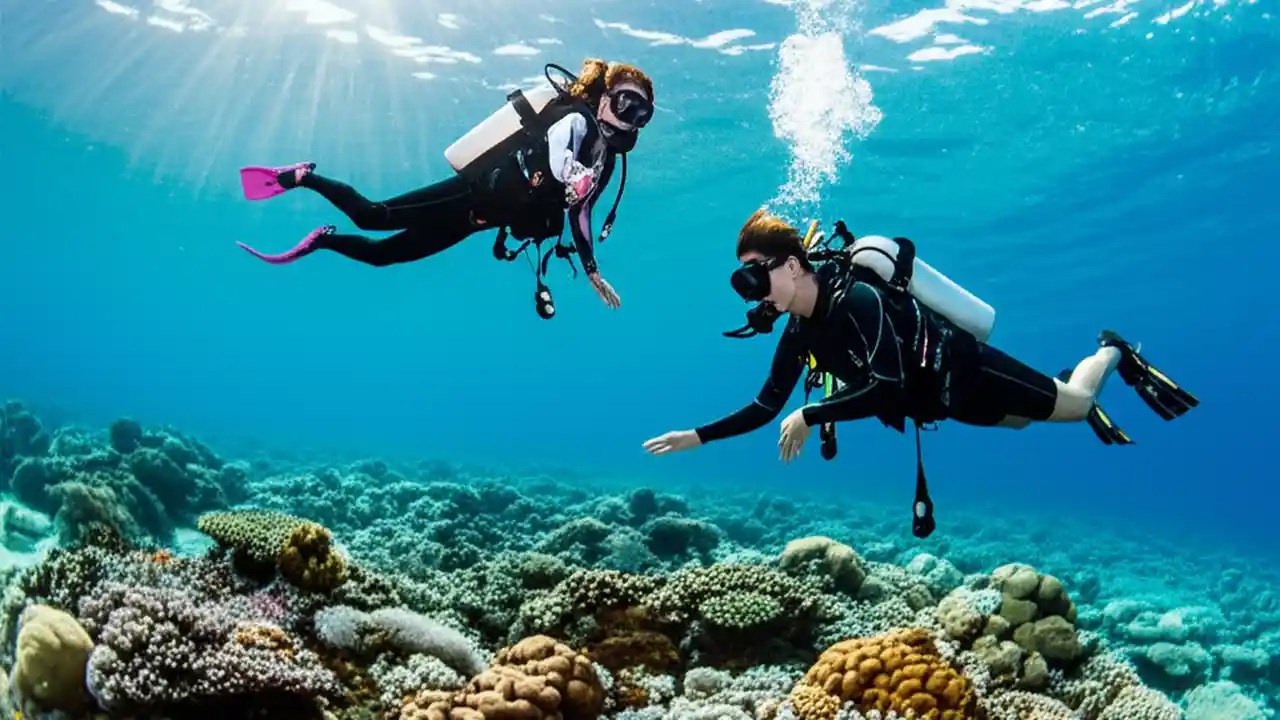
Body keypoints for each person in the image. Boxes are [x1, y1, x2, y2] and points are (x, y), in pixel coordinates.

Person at [642, 209, 1198, 537]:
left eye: (754, 277)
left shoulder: (857, 298)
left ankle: (1111, 351)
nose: (751, 292)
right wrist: (697, 436)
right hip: (943, 403)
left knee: (1074, 407)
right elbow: (765, 407)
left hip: (968, 371)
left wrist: (812, 412)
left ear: (792, 265)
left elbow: (887, 385)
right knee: (1022, 423)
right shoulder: (799, 333)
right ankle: (1058, 384)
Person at [233, 58, 656, 315]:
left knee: (383, 257)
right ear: (604, 98)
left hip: (473, 222)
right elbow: (559, 153)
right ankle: (303, 176)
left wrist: (592, 270)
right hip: (469, 193)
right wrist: (573, 174)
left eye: (642, 113)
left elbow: (580, 213)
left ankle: (323, 241)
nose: (630, 117)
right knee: (371, 216)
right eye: (626, 103)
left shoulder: (605, 160)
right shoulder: (577, 120)